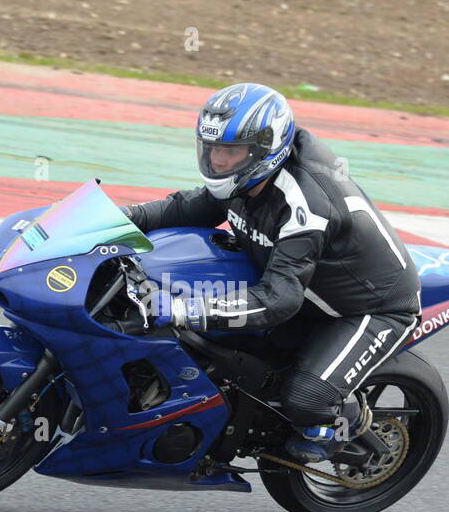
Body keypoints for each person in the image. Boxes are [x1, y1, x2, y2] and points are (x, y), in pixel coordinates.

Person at [122, 83, 421, 463]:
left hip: (368, 308)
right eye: (213, 150)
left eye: (231, 152)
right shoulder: (244, 178)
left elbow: (279, 300)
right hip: (301, 283)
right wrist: (117, 219)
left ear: (264, 151)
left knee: (305, 400)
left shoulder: (305, 203)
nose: (219, 161)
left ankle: (344, 423)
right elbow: (185, 208)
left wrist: (185, 309)